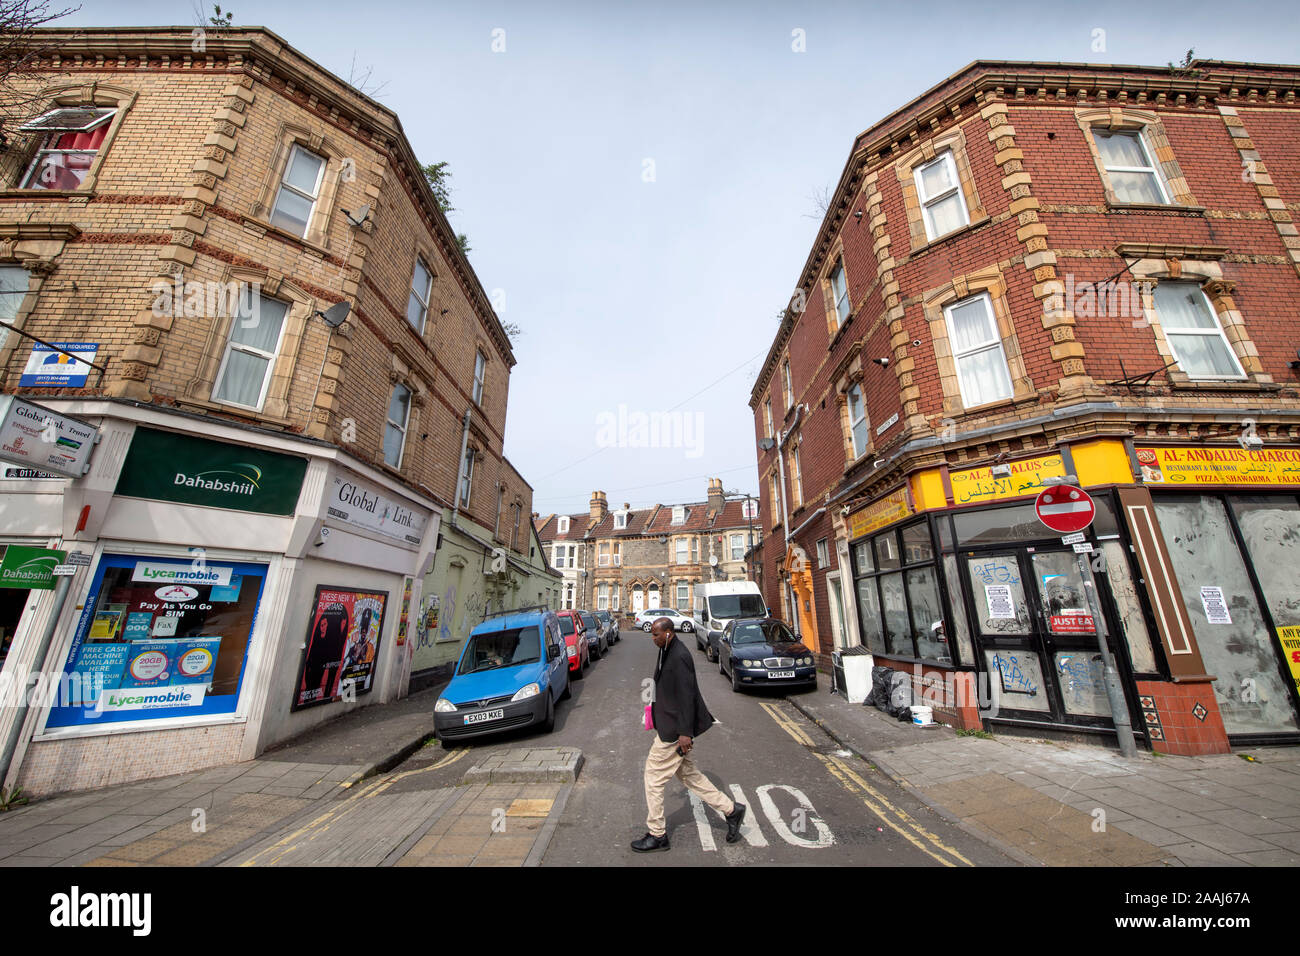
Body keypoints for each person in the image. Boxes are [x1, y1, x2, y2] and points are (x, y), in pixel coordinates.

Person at [631, 617, 746, 852]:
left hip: (674, 730)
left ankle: (657, 833)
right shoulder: (666, 648)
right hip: (670, 723)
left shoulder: (679, 656)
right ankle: (731, 810)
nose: (652, 638)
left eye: (656, 634)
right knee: (690, 777)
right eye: (652, 634)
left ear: (669, 633)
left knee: (652, 778)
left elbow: (687, 695)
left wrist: (685, 733)